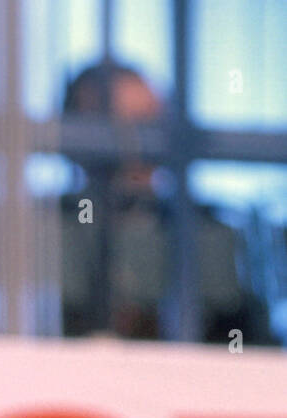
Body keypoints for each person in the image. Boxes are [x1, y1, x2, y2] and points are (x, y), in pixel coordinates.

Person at [60, 60, 275, 346]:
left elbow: (250, 345)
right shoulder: (53, 231)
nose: (152, 140)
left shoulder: (210, 231)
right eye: (137, 123)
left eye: (157, 121)